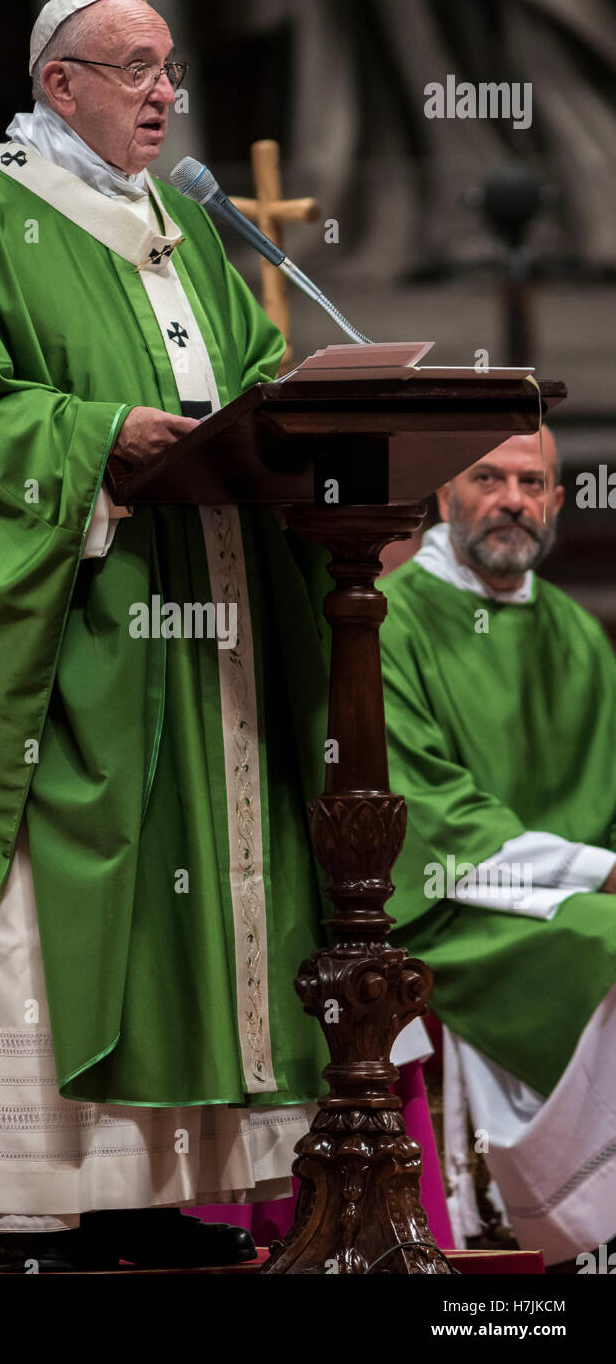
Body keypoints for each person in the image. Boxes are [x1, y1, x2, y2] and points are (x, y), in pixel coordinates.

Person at [0, 0, 431, 1272]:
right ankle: (50, 1203)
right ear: (60, 85)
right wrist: (94, 435)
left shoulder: (177, 228)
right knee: (70, 903)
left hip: (203, 628)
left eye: (169, 69)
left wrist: (332, 448)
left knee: (196, 903)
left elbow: (250, 399)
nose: (164, 93)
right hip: (73, 644)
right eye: (133, 70)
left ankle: (168, 1198)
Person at [379, 424, 616, 1267]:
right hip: (449, 905)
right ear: (445, 495)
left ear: (556, 501)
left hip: (569, 899)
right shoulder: (389, 619)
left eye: (532, 482)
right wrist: (599, 872)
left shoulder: (575, 633)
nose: (512, 499)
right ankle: (587, 1228)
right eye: (489, 477)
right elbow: (430, 812)